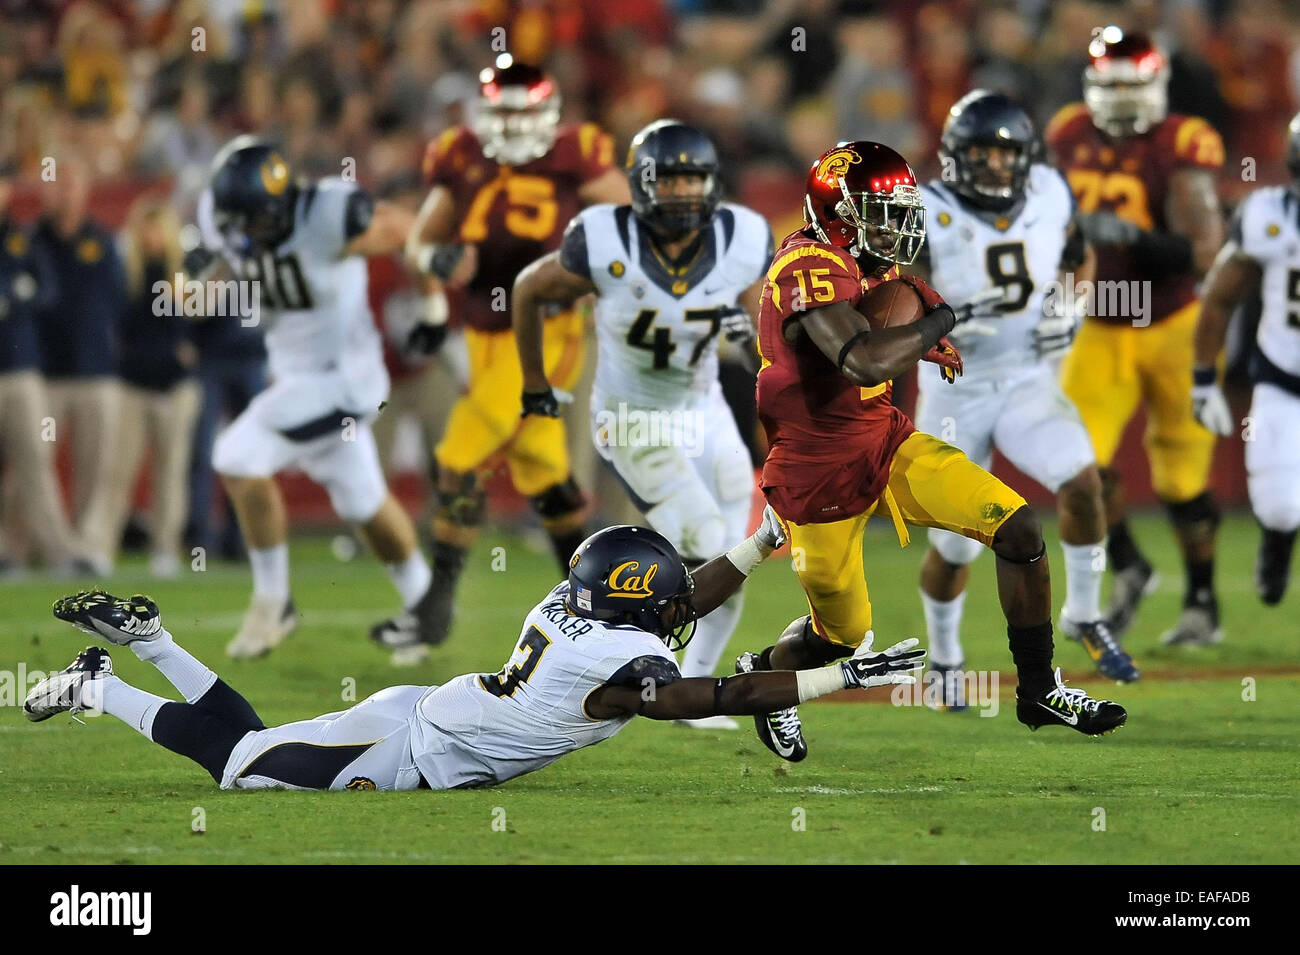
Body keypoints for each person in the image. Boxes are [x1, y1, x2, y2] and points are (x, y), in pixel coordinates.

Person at [23, 517, 929, 791]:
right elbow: (703, 693)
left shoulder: (574, 602)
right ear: (629, 602)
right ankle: (102, 687)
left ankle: (153, 644)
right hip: (411, 748)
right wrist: (834, 675)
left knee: (260, 746)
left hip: (430, 711)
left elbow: (685, 596)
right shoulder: (619, 659)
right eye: (658, 602)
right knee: (238, 769)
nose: (676, 610)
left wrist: (766, 535)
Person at [735, 139, 1128, 762]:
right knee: (842, 639)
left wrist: (914, 329)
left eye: (901, 208)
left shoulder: (866, 262)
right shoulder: (808, 264)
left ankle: (1039, 690)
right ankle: (767, 677)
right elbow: (863, 361)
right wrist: (938, 321)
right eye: (881, 209)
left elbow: (875, 341)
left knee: (1020, 529)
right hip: (818, 475)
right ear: (838, 209)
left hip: (888, 444)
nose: (898, 223)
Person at [512, 120, 772, 729]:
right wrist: (533, 382)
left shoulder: (742, 236)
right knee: (710, 543)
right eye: (671, 178)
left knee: (733, 548)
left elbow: (768, 323)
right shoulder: (604, 239)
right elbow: (527, 289)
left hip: (704, 410)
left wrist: (750, 337)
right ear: (641, 184)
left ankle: (696, 688)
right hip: (633, 418)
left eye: (693, 179)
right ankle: (642, 669)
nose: (683, 192)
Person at [397, 55, 631, 658]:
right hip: (482, 331)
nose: (511, 125)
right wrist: (435, 279)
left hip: (549, 329)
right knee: (541, 467)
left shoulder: (576, 152)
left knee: (463, 447)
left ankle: (435, 602)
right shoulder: (460, 153)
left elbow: (631, 225)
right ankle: (589, 605)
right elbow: (422, 243)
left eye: (521, 113)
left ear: (549, 114)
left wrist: (612, 287)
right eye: (501, 112)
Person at [911, 91, 1139, 701]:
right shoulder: (926, 211)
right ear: (957, 157)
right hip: (955, 388)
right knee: (955, 545)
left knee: (1084, 484)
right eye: (981, 153)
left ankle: (1084, 615)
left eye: (1006, 153)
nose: (995, 165)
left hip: (1027, 376)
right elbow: (888, 297)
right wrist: (939, 320)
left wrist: (1073, 301)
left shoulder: (1047, 189)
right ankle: (944, 659)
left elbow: (1076, 251)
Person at [191, 137, 436, 659]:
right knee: (362, 501)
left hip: (347, 380)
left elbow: (410, 232)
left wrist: (431, 306)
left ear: (277, 209)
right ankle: (426, 602)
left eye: (249, 223)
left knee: (237, 454)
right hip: (295, 379)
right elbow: (217, 270)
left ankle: (274, 600)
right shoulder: (224, 215)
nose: (241, 233)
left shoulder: (330, 214)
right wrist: (197, 281)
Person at [1046, 28, 1227, 646]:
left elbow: (1204, 252)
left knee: (1180, 478)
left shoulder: (1182, 142)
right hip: (1100, 322)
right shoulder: (1068, 131)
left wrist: (1129, 236)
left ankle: (1203, 600)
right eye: (1112, 84)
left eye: (1133, 85)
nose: (1122, 99)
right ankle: (1131, 566)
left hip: (1175, 323)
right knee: (1076, 463)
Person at [1191, 111, 1300, 606]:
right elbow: (1219, 298)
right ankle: (1278, 544)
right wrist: (1201, 377)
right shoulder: (1270, 216)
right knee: (1279, 509)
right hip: (1283, 379)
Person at [31, 157, 125, 573]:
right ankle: (25, 549)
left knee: (97, 466)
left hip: (96, 373)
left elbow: (122, 301)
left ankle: (88, 549)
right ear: (46, 189)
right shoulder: (29, 241)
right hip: (43, 375)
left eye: (72, 182)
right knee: (31, 462)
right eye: (57, 182)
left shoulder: (103, 243)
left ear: (86, 190)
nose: (64, 191)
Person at [0, 159, 90, 576]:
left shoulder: (21, 238)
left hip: (20, 369)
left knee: (34, 460)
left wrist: (13, 300)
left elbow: (46, 291)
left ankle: (56, 552)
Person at [103, 197, 201, 578]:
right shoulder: (125, 273)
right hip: (133, 384)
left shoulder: (185, 275)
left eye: (157, 226)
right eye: (145, 227)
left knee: (171, 473)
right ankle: (102, 547)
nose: (151, 235)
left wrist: (191, 349)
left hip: (176, 386)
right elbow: (116, 320)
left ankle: (165, 549)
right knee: (118, 472)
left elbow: (206, 320)